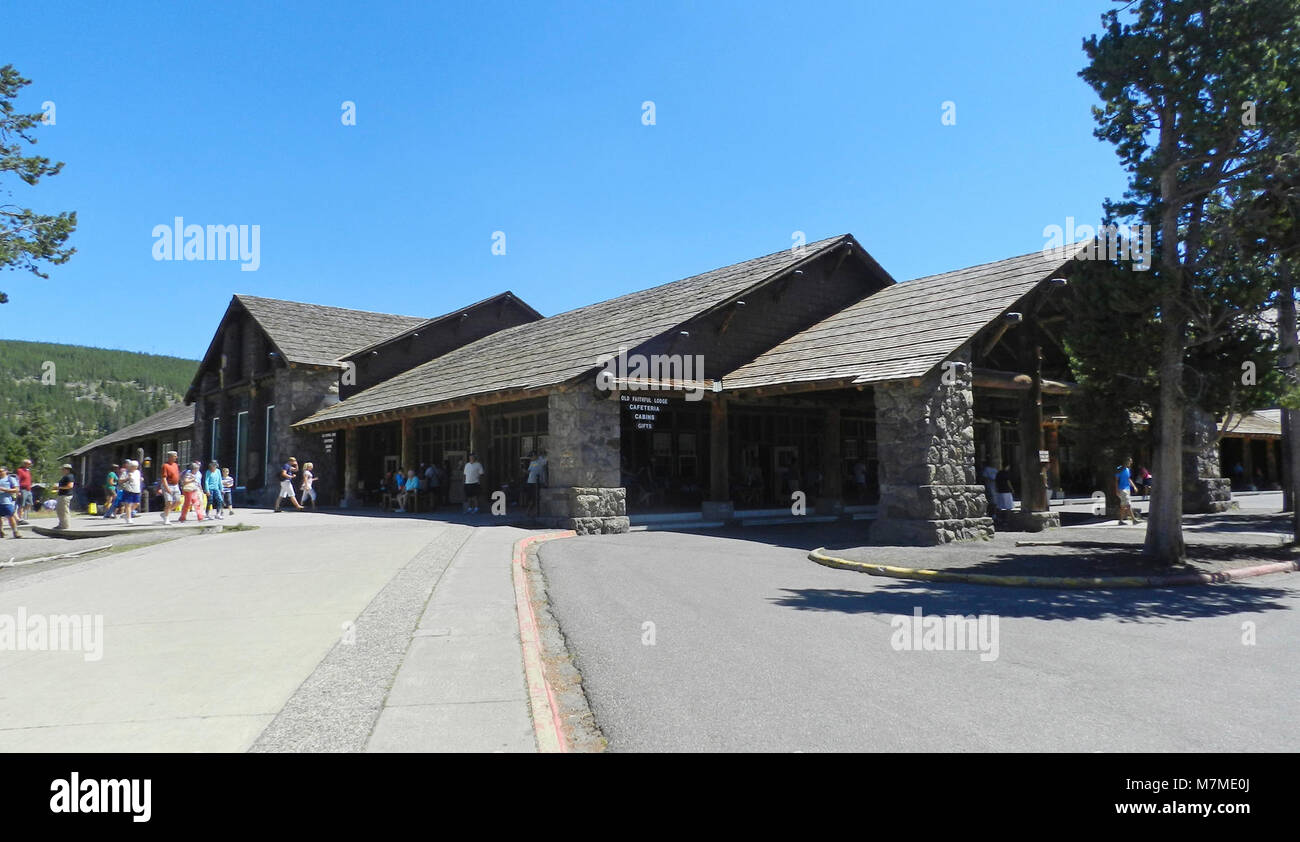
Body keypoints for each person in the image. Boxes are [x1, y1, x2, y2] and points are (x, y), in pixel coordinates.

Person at [1115, 456, 1140, 525]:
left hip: (1127, 489)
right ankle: (1134, 520)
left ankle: (1120, 521)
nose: (1131, 463)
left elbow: (1129, 479)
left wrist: (1134, 486)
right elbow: (1116, 480)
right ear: (1126, 461)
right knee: (1128, 505)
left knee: (1123, 506)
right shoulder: (1119, 468)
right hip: (1122, 489)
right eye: (1130, 461)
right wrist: (1116, 490)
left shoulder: (1128, 469)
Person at [159, 450, 181, 524]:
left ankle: (165, 513)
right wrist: (167, 488)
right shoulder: (165, 465)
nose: (176, 457)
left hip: (175, 485)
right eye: (174, 456)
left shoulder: (175, 465)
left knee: (178, 501)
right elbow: (164, 478)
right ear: (170, 457)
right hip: (168, 484)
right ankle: (166, 518)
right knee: (169, 502)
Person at [0, 466, 22, 539]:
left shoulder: (10, 479)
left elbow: (16, 489)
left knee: (10, 517)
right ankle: (1, 531)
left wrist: (5, 489)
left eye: (1, 471)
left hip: (6, 501)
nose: (0, 473)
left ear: (6, 471)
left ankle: (15, 532)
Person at [119, 460, 142, 525]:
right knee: (128, 504)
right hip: (128, 489)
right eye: (133, 466)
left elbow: (138, 479)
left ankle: (127, 514)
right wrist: (127, 478)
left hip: (136, 489)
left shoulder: (137, 472)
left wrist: (141, 479)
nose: (135, 468)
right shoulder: (125, 472)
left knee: (137, 503)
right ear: (130, 466)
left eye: (136, 467)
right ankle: (129, 518)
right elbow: (120, 481)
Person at [55, 463, 76, 530]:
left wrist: (59, 488)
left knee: (64, 511)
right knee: (60, 510)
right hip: (62, 495)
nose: (62, 470)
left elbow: (70, 486)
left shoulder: (69, 476)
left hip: (65, 496)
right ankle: (61, 524)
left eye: (63, 469)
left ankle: (65, 526)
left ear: (67, 470)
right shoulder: (65, 476)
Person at [16, 458, 34, 524]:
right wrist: (19, 490)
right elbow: (18, 480)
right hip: (22, 489)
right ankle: (19, 519)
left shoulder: (28, 471)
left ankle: (21, 516)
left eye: (30, 464)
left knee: (29, 503)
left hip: (28, 489)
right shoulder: (20, 470)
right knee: (21, 504)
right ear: (24, 464)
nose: (30, 465)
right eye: (28, 464)